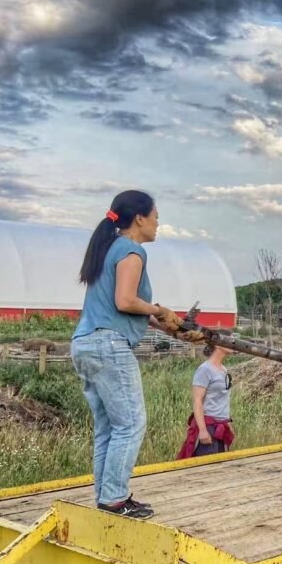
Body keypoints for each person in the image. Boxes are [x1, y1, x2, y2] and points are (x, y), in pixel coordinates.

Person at [70, 190, 200, 520]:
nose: (158, 223)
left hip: (87, 343)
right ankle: (115, 498)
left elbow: (121, 311)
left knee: (109, 428)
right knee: (131, 424)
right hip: (109, 347)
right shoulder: (132, 250)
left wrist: (169, 325)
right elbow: (125, 301)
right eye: (156, 217)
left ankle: (105, 498)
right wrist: (160, 308)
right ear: (139, 219)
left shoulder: (107, 248)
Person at [178, 343, 236, 459]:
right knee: (206, 469)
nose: (233, 344)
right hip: (209, 425)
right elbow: (197, 400)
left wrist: (228, 422)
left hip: (221, 426)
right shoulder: (205, 370)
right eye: (230, 341)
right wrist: (203, 430)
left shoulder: (223, 369)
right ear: (218, 344)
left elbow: (223, 399)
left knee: (221, 465)